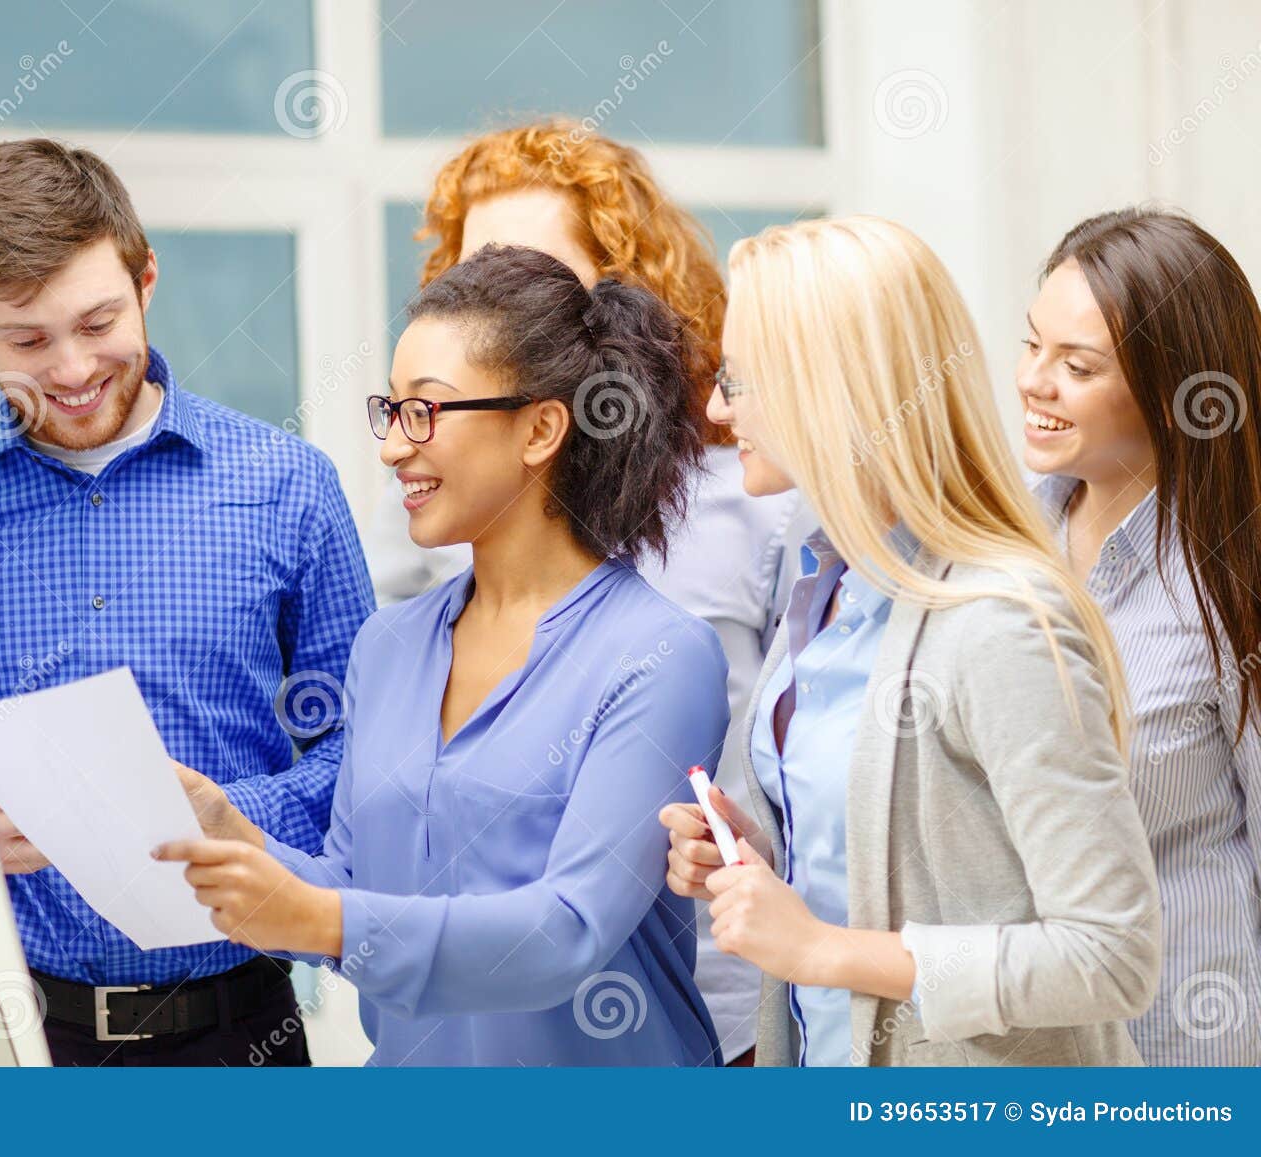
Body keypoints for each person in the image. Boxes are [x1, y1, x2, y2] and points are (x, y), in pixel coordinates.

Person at [156, 244, 728, 1066]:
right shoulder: (388, 647)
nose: (393, 446)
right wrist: (231, 831)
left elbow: (568, 929)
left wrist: (323, 919)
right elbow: (350, 885)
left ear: (540, 428)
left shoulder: (661, 656)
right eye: (390, 410)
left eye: (424, 410)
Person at [0, 139, 374, 1065]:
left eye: (98, 321)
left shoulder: (287, 488)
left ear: (146, 276)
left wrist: (223, 815)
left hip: (242, 1035)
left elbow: (367, 755)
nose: (72, 369)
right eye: (27, 341)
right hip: (8, 1037)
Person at [660, 216, 1161, 1065]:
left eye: (738, 380)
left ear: (826, 388)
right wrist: (764, 857)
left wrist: (822, 949)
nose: (716, 408)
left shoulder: (998, 620)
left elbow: (1111, 953)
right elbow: (898, 863)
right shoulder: (822, 585)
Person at [366, 116, 803, 1062]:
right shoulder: (444, 526)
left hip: (711, 991)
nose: (510, 286)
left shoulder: (754, 499)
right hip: (483, 1013)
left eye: (538, 262)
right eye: (481, 263)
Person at [1019, 208, 1261, 1065]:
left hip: (1183, 1055)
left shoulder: (1230, 586)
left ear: (1172, 390)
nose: (1034, 382)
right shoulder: (1002, 550)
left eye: (1077, 365)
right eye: (1031, 344)